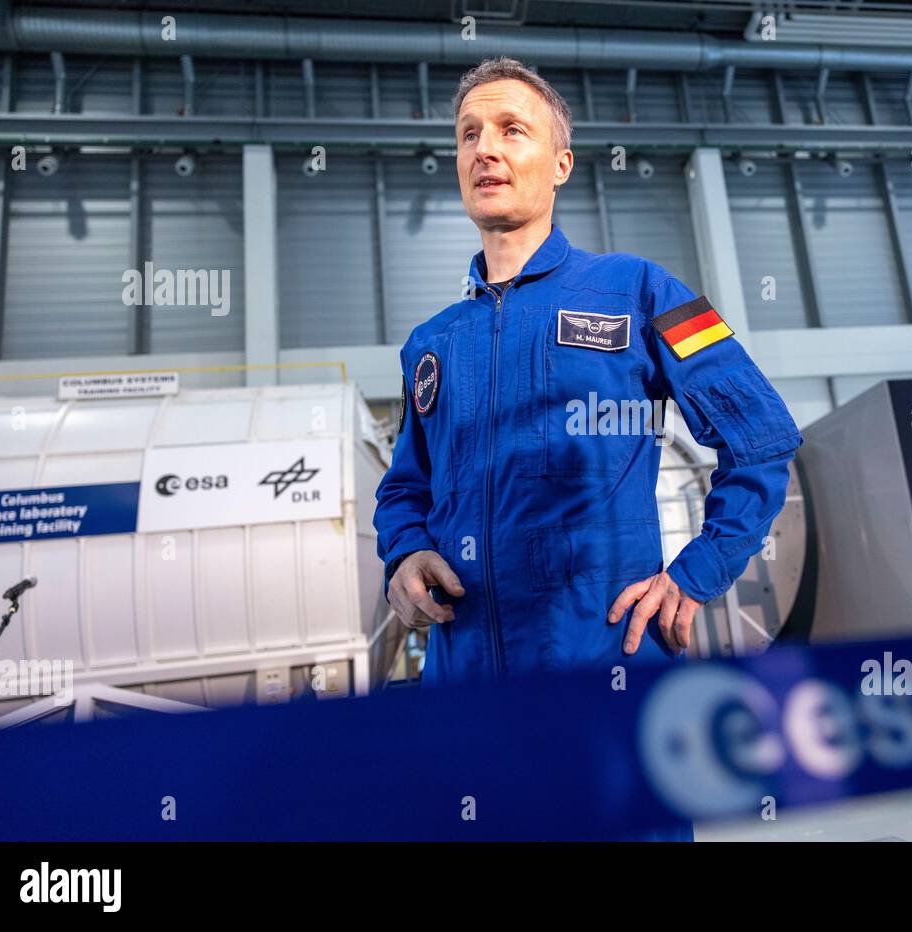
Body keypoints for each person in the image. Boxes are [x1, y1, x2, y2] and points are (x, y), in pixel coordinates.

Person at [373, 57, 802, 838]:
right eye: (469, 134)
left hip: (608, 674)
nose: (485, 150)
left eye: (511, 130)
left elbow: (762, 434)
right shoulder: (429, 346)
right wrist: (404, 556)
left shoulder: (644, 292)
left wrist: (697, 573)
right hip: (467, 697)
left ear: (560, 164)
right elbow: (406, 487)